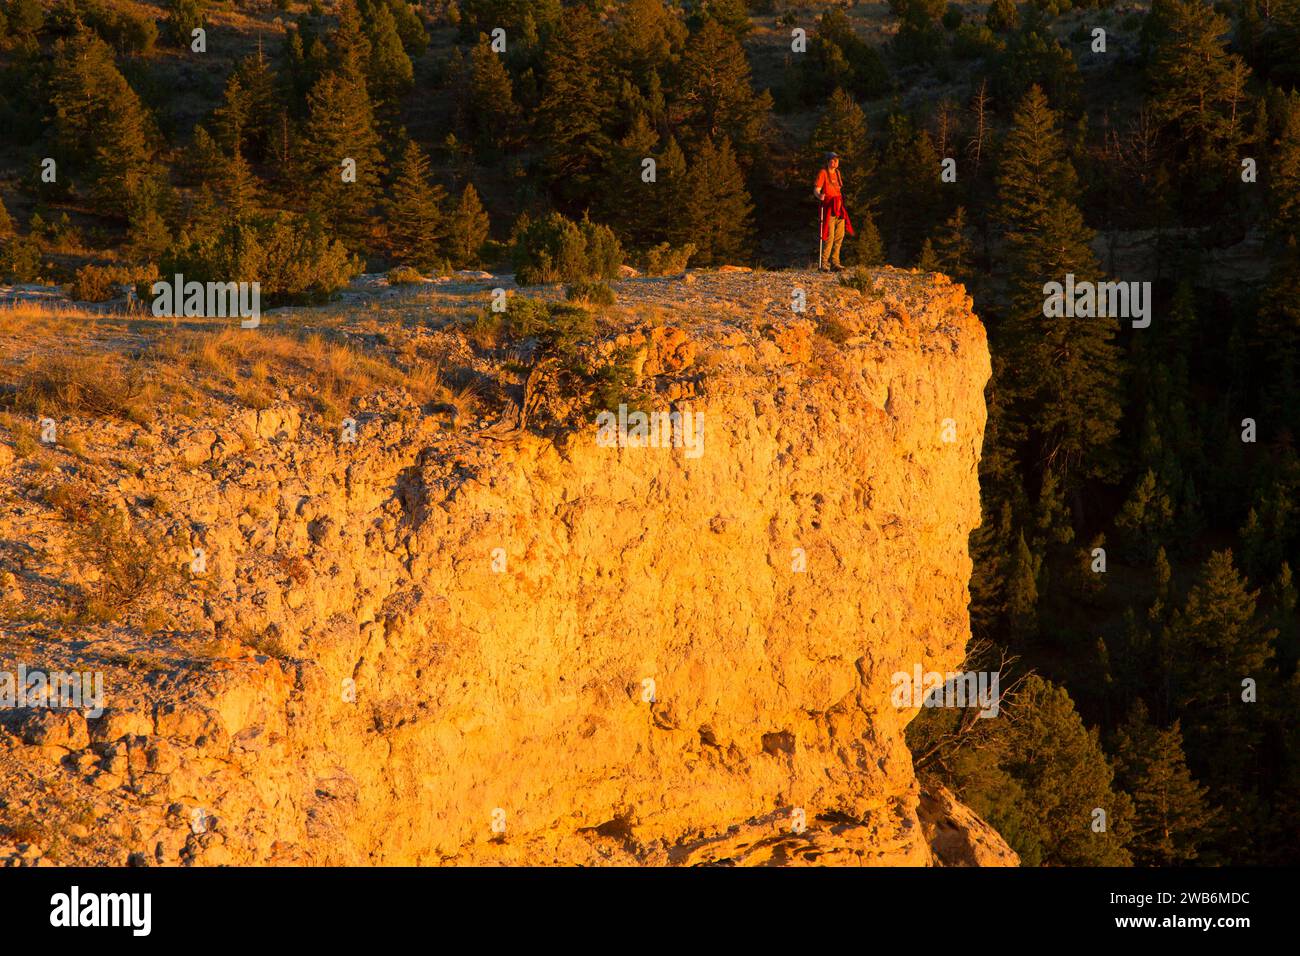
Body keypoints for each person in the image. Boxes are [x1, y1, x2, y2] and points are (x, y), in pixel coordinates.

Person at [813, 152, 854, 271]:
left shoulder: (837, 173)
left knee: (839, 236)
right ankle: (824, 263)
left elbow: (838, 189)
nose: (836, 162)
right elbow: (816, 189)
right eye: (833, 160)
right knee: (829, 236)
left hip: (839, 207)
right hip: (829, 208)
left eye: (837, 160)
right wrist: (819, 195)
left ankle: (835, 262)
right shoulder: (823, 173)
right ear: (828, 161)